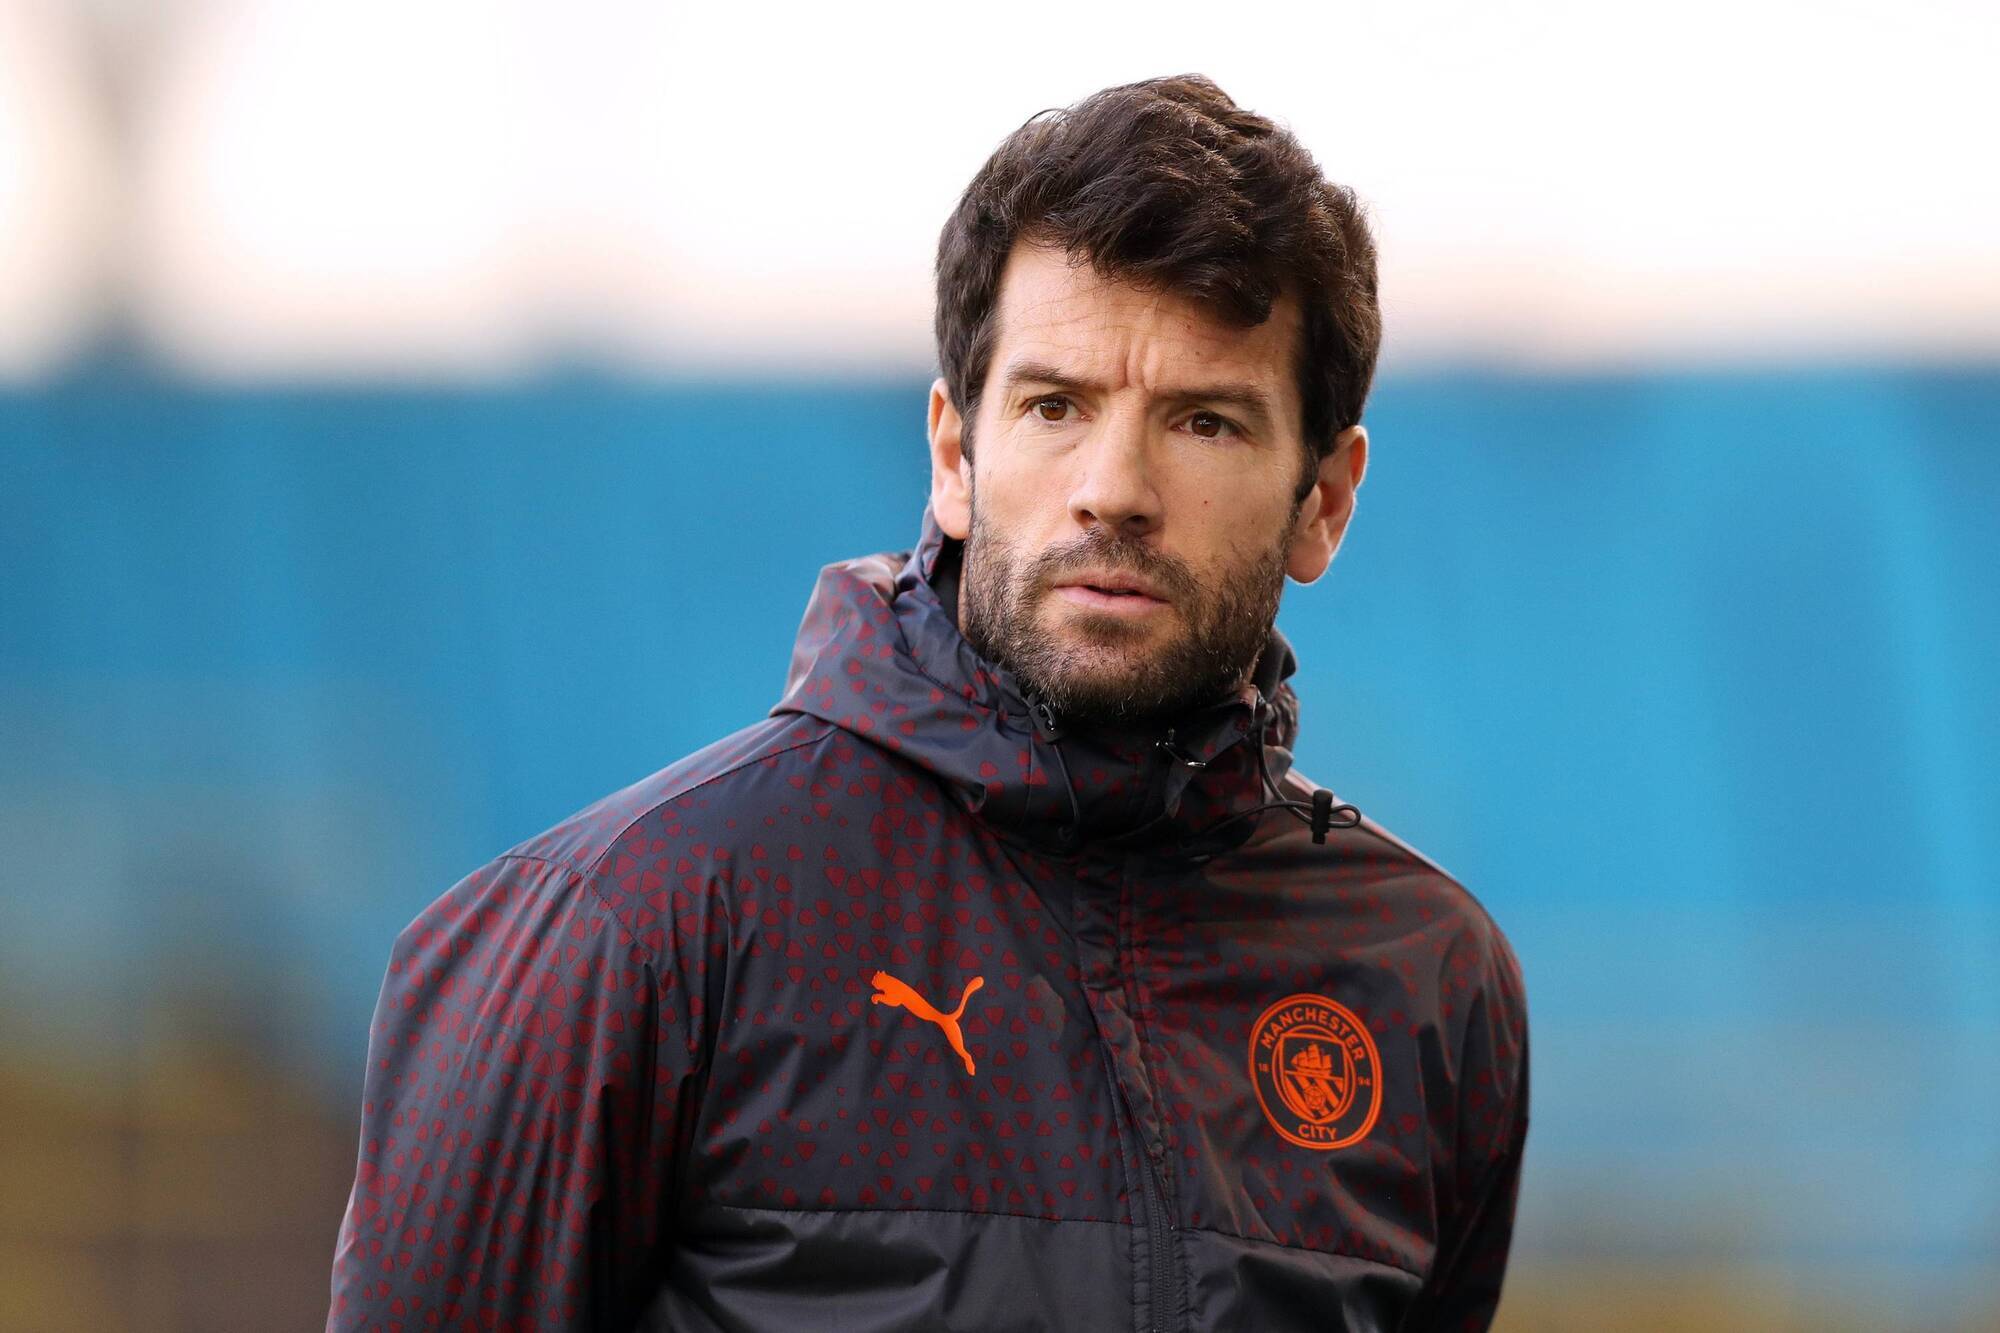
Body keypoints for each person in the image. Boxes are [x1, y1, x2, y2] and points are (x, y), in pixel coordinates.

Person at [326, 73, 1528, 1332]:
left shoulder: (1425, 983)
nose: (1113, 488)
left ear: (1322, 500)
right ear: (955, 455)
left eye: (1204, 423)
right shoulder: (627, 928)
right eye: (1054, 406)